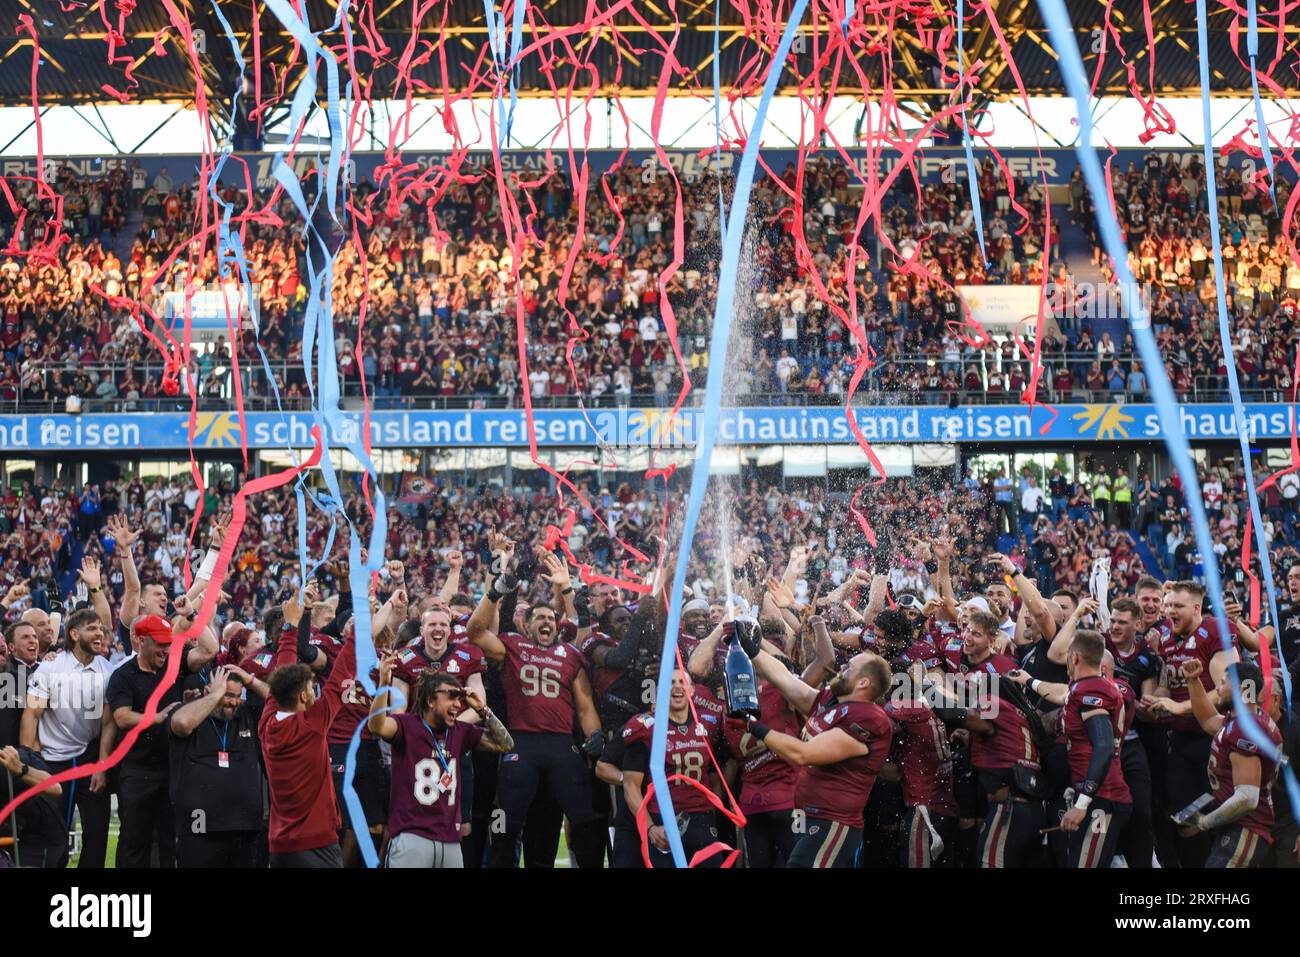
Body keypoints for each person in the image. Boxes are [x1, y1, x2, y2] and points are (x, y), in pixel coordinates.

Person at [466, 549, 606, 868]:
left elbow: (584, 706)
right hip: (521, 743)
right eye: (539, 618)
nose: (546, 621)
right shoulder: (514, 646)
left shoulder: (569, 654)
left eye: (550, 618)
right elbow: (474, 632)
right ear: (527, 626)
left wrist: (595, 734)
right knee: (506, 826)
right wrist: (497, 590)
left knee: (582, 822)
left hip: (561, 745)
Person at [746, 640, 894, 869]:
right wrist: (751, 647)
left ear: (863, 682)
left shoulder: (870, 719)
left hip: (833, 823)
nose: (842, 667)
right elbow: (784, 679)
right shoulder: (830, 701)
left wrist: (754, 726)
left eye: (850, 667)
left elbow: (802, 754)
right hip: (807, 818)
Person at [367, 664, 514, 868]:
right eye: (451, 696)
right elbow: (377, 725)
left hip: (450, 841)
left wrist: (483, 709)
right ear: (430, 700)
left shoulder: (460, 731)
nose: (457, 704)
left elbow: (505, 744)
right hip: (412, 837)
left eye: (459, 697)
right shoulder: (406, 725)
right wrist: (384, 683)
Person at [105, 611, 217, 868]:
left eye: (169, 642)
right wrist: (159, 717)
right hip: (136, 770)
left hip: (171, 768)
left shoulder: (173, 666)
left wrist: (191, 613)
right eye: (160, 642)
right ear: (141, 640)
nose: (166, 648)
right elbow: (121, 717)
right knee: (134, 839)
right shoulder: (123, 675)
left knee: (170, 839)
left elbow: (210, 649)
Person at [261, 588, 361, 868]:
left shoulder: (267, 721)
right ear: (303, 696)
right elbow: (342, 670)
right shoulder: (313, 725)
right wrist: (359, 625)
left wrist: (293, 625)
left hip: (280, 846)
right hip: (316, 845)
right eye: (310, 688)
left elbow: (282, 667)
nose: (316, 692)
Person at [1147, 580, 1238, 866]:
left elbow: (1227, 690)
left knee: (1220, 814)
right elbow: (1166, 684)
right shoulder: (1165, 638)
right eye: (1168, 605)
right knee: (1185, 818)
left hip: (1215, 739)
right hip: (1181, 740)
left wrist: (1182, 706)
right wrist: (1154, 701)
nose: (1169, 610)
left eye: (1178, 606)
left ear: (1197, 608)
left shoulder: (1214, 631)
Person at [20, 607, 113, 868]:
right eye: (92, 628)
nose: (99, 633)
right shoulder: (50, 669)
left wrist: (102, 766)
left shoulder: (107, 671)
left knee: (96, 835)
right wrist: (29, 763)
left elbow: (108, 723)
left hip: (90, 758)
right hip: (51, 761)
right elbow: (32, 714)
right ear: (74, 633)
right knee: (53, 836)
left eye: (100, 628)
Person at [1182, 658, 1283, 868]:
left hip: (1246, 828)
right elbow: (1208, 720)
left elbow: (1247, 798)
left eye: (1223, 682)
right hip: (1240, 826)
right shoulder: (1243, 720)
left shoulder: (1244, 729)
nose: (1218, 689)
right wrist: (1193, 681)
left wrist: (1203, 822)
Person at [620, 667, 724, 867]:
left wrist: (713, 814)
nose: (677, 686)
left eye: (682, 682)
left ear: (692, 690)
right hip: (663, 819)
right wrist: (650, 827)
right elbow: (631, 787)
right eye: (671, 682)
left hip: (701, 818)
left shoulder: (707, 724)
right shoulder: (647, 728)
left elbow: (714, 776)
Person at [166, 664, 268, 867]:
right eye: (227, 695)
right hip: (199, 825)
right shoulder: (189, 711)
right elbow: (181, 724)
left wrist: (251, 681)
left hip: (245, 825)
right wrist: (214, 696)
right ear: (207, 691)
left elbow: (284, 703)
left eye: (238, 695)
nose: (234, 702)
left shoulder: (245, 713)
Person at [0, 744, 64, 868]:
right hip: (10, 831)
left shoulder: (16, 758)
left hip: (40, 836)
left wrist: (20, 769)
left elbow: (55, 788)